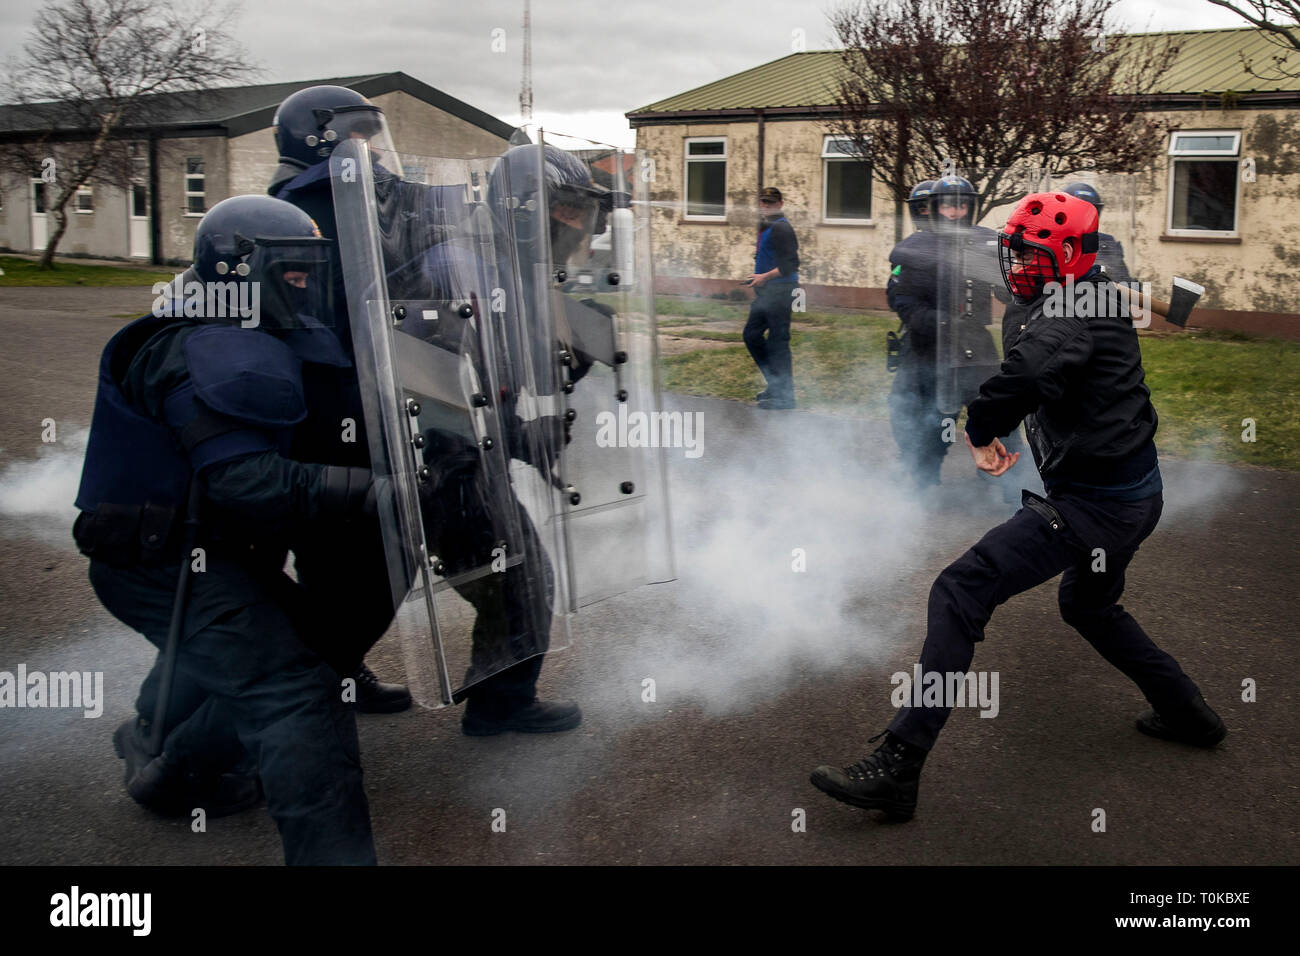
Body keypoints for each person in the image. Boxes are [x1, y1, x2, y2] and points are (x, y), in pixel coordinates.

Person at [810, 191, 1226, 819]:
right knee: (1089, 605)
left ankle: (899, 765)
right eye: (1012, 253)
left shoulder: (1070, 314)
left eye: (1031, 256)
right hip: (1135, 494)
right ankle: (1189, 713)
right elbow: (1056, 346)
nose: (1015, 267)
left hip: (1095, 506)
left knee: (961, 587)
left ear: (1066, 256)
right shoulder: (1090, 280)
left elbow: (1030, 374)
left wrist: (979, 431)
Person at [75, 195, 381, 864]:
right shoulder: (198, 350)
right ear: (242, 272)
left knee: (299, 643)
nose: (307, 284)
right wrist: (373, 491)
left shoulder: (262, 330)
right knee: (293, 691)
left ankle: (170, 761)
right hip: (156, 565)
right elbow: (249, 483)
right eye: (293, 271)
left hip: (219, 554)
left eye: (312, 270)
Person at [265, 85, 418, 715]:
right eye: (359, 137)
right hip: (324, 406)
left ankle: (335, 673)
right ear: (319, 137)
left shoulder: (352, 194)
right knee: (350, 553)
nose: (372, 151)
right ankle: (309, 685)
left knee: (366, 552)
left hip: (359, 393)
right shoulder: (306, 200)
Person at [885, 175, 1009, 496]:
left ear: (972, 207)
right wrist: (943, 323)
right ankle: (920, 483)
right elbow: (904, 304)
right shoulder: (915, 249)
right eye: (948, 205)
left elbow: (1007, 289)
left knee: (996, 415)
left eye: (962, 205)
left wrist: (1014, 280)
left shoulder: (984, 243)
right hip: (929, 348)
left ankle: (1007, 483)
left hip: (976, 347)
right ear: (936, 207)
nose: (955, 212)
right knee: (927, 420)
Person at [742, 186, 800, 410]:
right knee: (751, 335)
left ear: (780, 204)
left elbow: (791, 265)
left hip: (782, 291)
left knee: (778, 343)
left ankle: (786, 397)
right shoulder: (767, 227)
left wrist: (764, 277)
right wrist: (758, 278)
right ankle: (776, 385)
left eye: (770, 203)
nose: (765, 206)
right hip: (767, 291)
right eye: (763, 202)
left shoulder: (782, 229)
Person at [1060, 182, 1132, 284]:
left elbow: (1124, 280)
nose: (1085, 219)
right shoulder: (1054, 242)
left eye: (1090, 214)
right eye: (1079, 214)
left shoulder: (1107, 243)